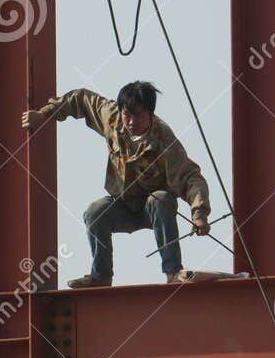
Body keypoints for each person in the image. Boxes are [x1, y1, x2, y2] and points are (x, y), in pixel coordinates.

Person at [21, 81, 212, 287]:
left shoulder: (164, 140)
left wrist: (199, 214)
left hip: (152, 209)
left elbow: (190, 177)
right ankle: (101, 276)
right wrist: (45, 114)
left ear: (150, 113)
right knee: (95, 212)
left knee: (160, 199)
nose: (130, 122)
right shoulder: (112, 118)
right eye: (126, 115)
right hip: (122, 205)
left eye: (137, 115)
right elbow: (81, 99)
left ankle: (173, 272)